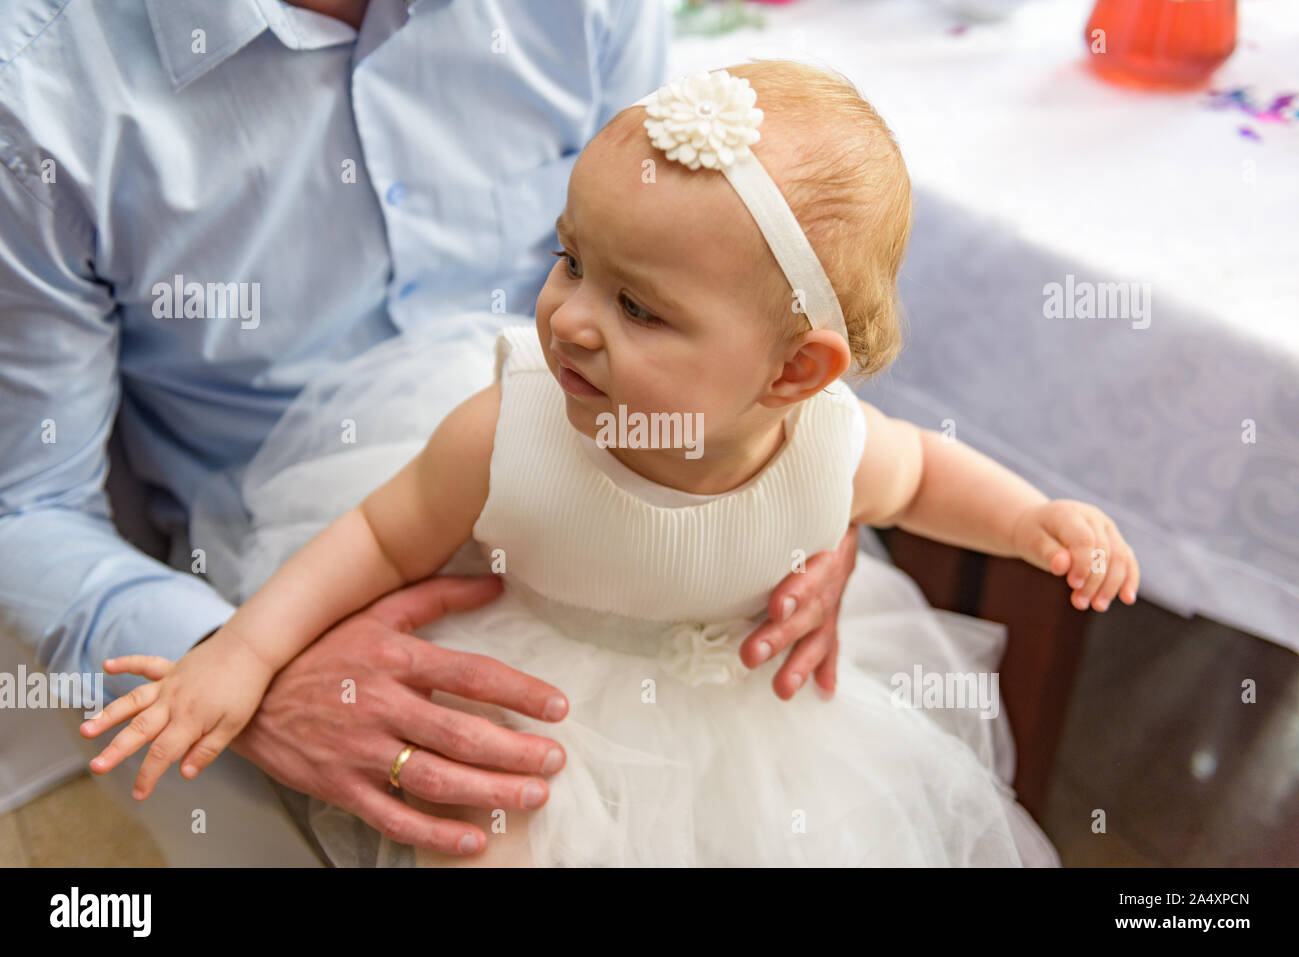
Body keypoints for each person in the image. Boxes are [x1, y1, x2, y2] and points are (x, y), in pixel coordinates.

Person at [82, 61, 1139, 865]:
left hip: (745, 721)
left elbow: (921, 479)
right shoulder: (511, 434)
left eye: (637, 306)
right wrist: (242, 653)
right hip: (535, 695)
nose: (570, 319)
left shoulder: (829, 447)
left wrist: (1033, 523)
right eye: (570, 260)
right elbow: (375, 534)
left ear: (792, 373)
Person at [0, 0, 863, 864]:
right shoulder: (36, 87)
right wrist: (239, 664)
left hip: (654, 540)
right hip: (299, 579)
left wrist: (807, 500)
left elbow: (723, 260)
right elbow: (24, 503)